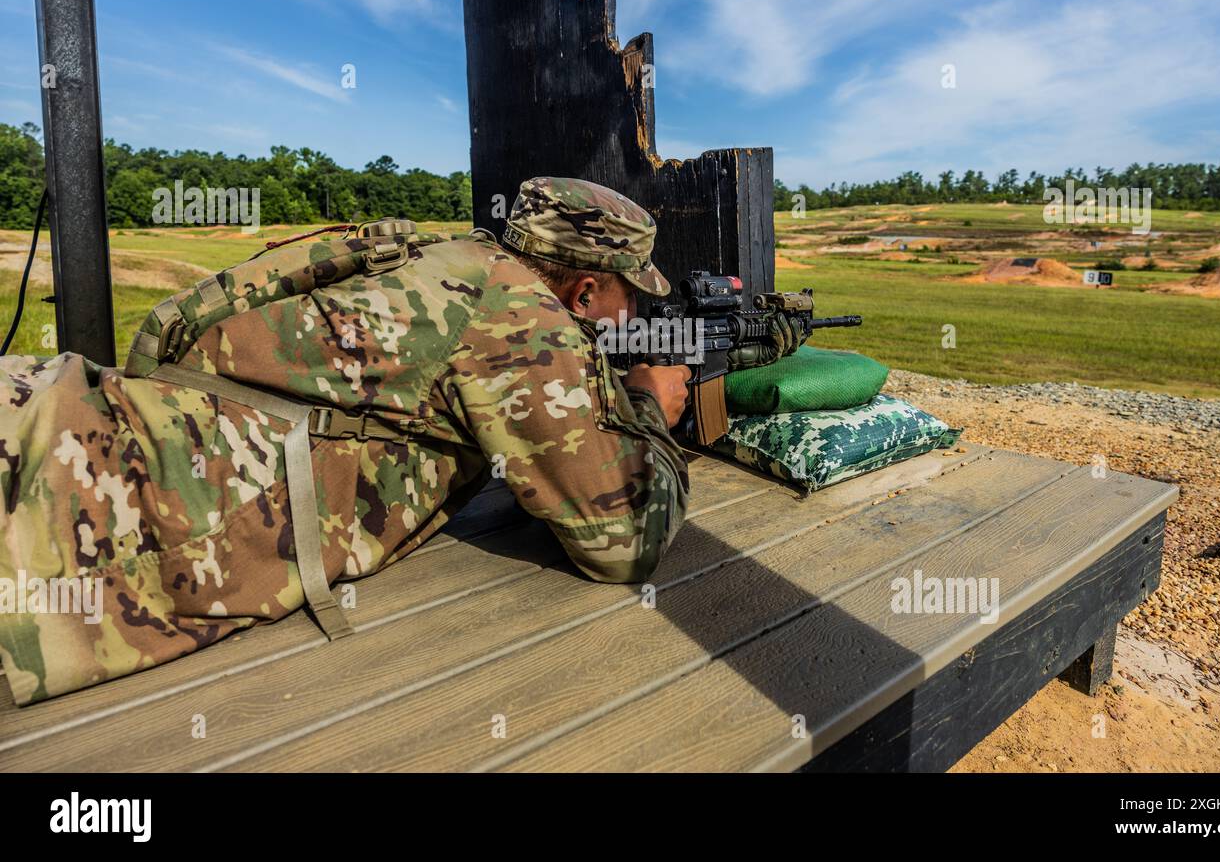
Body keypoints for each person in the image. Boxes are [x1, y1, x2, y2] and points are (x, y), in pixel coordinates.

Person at [0, 176, 796, 707]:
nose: (628, 316)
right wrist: (651, 404)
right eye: (627, 297)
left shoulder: (445, 259)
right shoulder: (518, 314)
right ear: (585, 288)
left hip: (62, 408)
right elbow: (621, 541)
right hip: (89, 512)